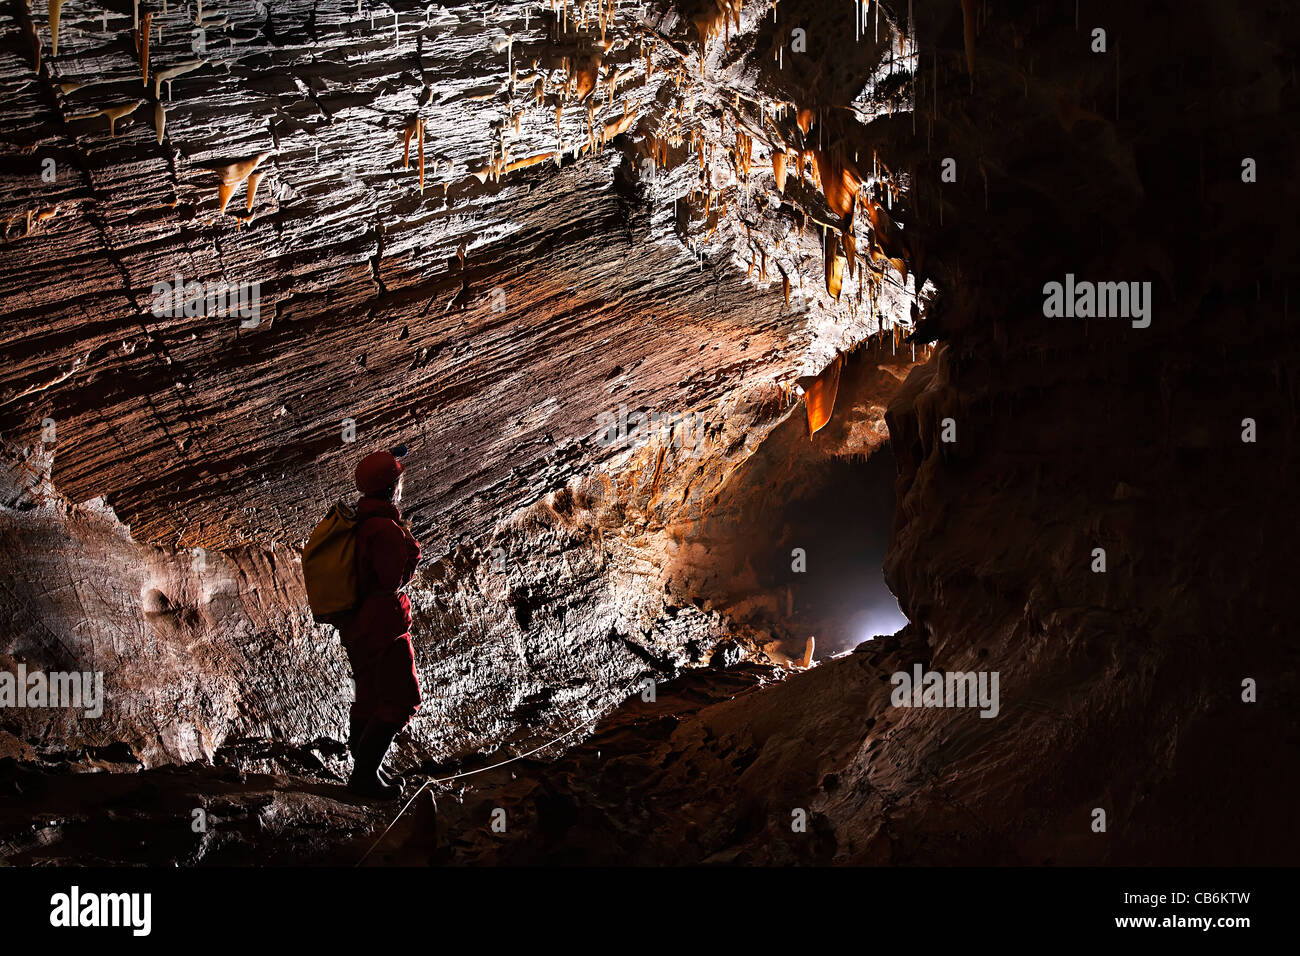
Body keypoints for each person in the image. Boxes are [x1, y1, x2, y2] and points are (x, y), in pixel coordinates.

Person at [339, 449, 422, 800]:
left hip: (357, 624)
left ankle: (368, 768)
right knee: (403, 698)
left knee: (371, 696)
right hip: (383, 625)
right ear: (393, 487)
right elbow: (391, 581)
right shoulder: (383, 529)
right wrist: (411, 550)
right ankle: (364, 778)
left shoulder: (356, 523)